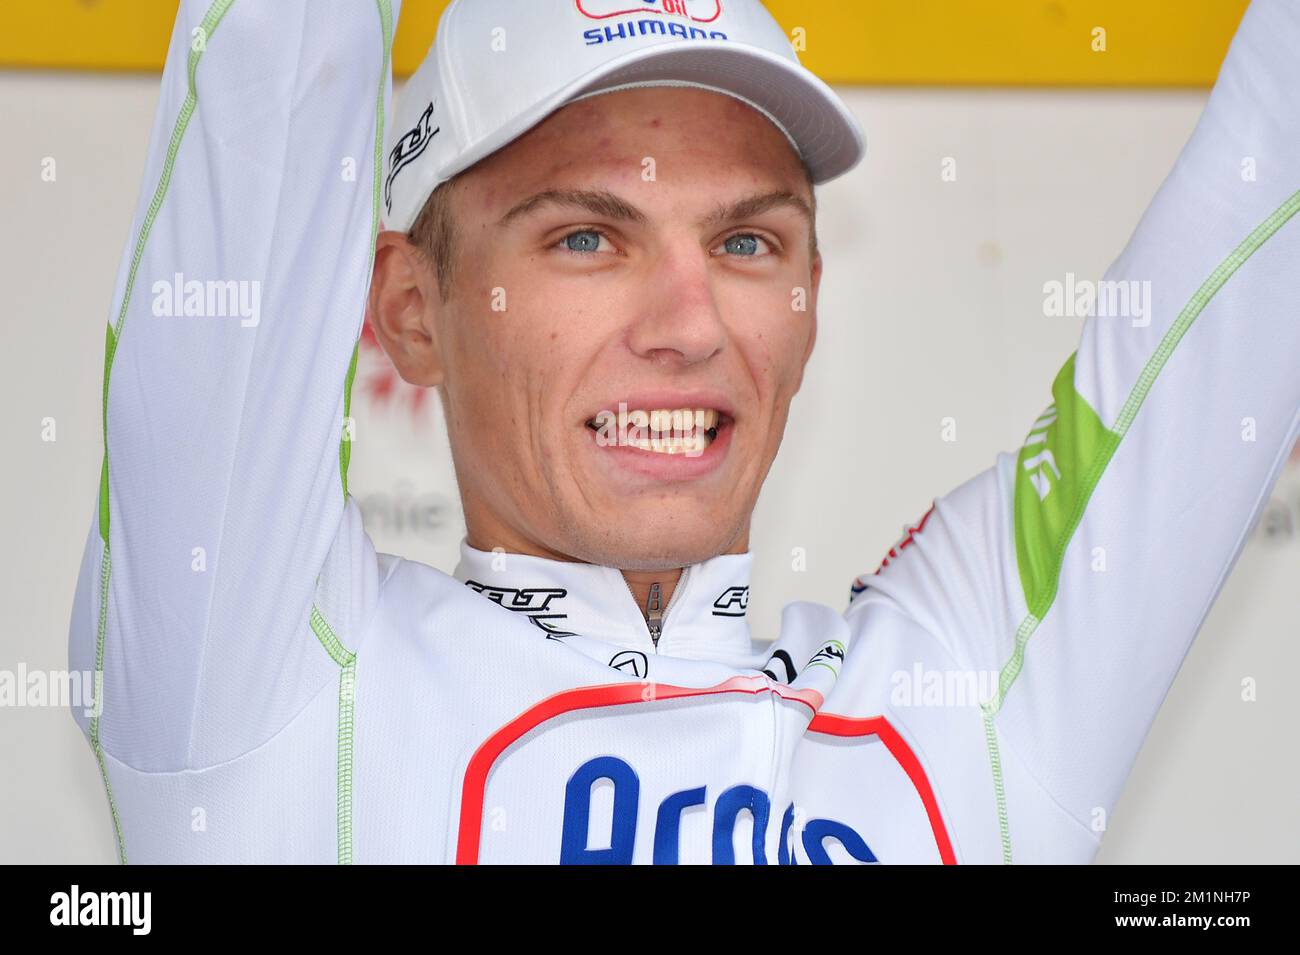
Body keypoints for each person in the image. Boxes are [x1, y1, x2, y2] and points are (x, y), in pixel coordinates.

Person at [69, 0, 1299, 864]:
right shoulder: (267, 696)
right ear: (410, 311)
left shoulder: (961, 704)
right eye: (585, 238)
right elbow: (274, 74)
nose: (689, 322)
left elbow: (1271, 178)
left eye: (745, 242)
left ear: (812, 300)